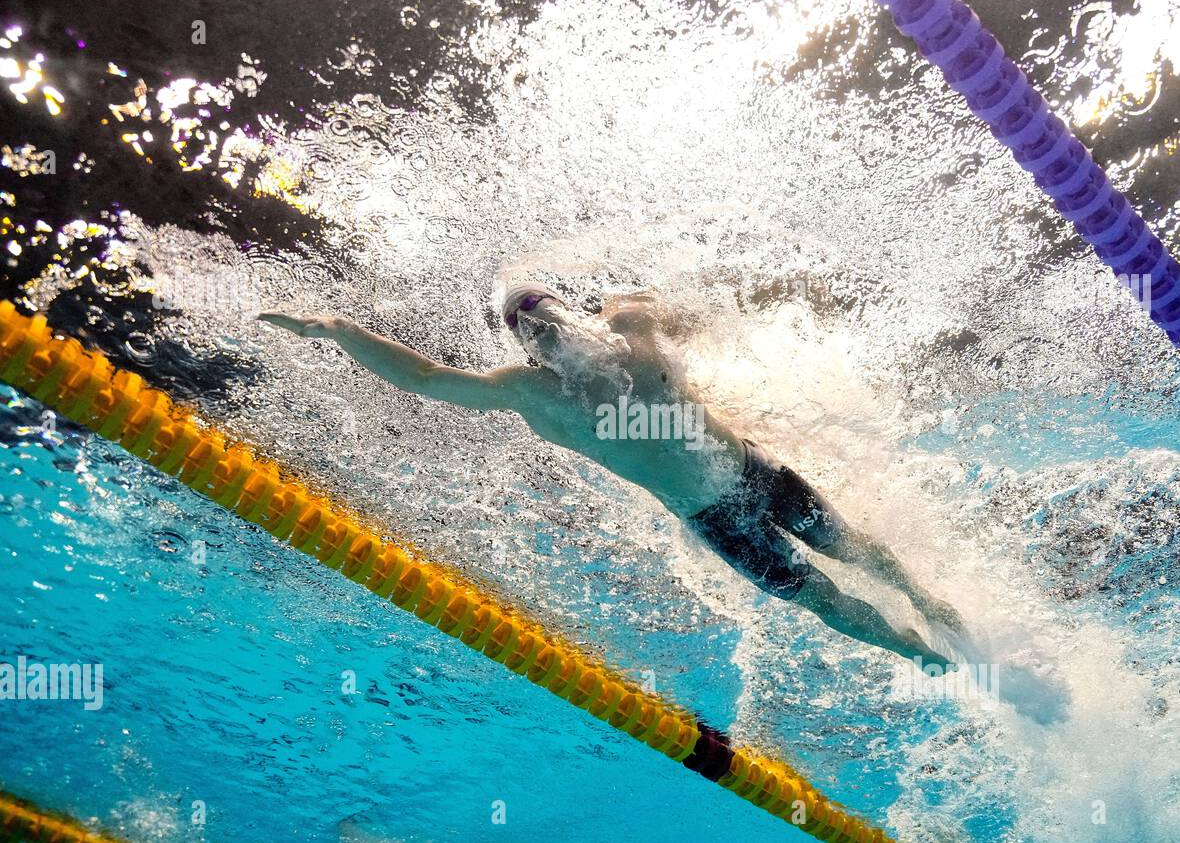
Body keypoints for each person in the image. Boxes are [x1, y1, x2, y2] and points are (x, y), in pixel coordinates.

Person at [259, 283, 965, 666]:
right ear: (523, 346)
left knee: (850, 546)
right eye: (523, 325)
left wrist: (625, 306)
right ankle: (912, 651)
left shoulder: (631, 334)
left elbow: (665, 303)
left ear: (569, 311)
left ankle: (925, 601)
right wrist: (338, 330)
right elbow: (424, 377)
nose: (537, 329)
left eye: (541, 312)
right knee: (817, 597)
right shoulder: (531, 394)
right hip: (714, 519)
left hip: (757, 471)